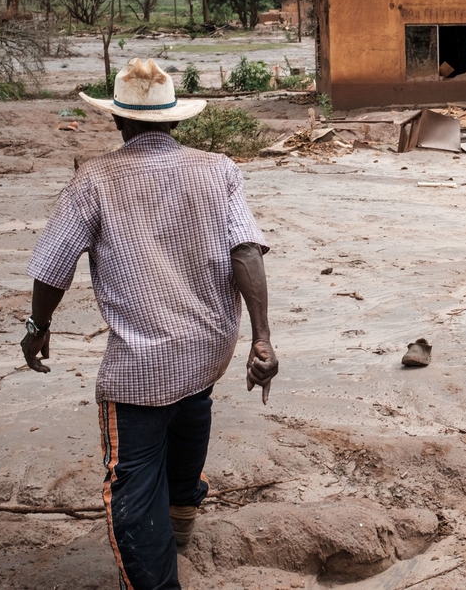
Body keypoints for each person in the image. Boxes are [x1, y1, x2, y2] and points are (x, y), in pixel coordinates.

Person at [22, 58, 279, 589]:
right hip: (209, 347)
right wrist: (262, 338)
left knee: (132, 492)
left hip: (140, 363)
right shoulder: (219, 168)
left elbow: (53, 266)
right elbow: (247, 253)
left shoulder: (94, 177)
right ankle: (183, 518)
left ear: (119, 121)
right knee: (189, 413)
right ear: (175, 121)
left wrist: (37, 325)